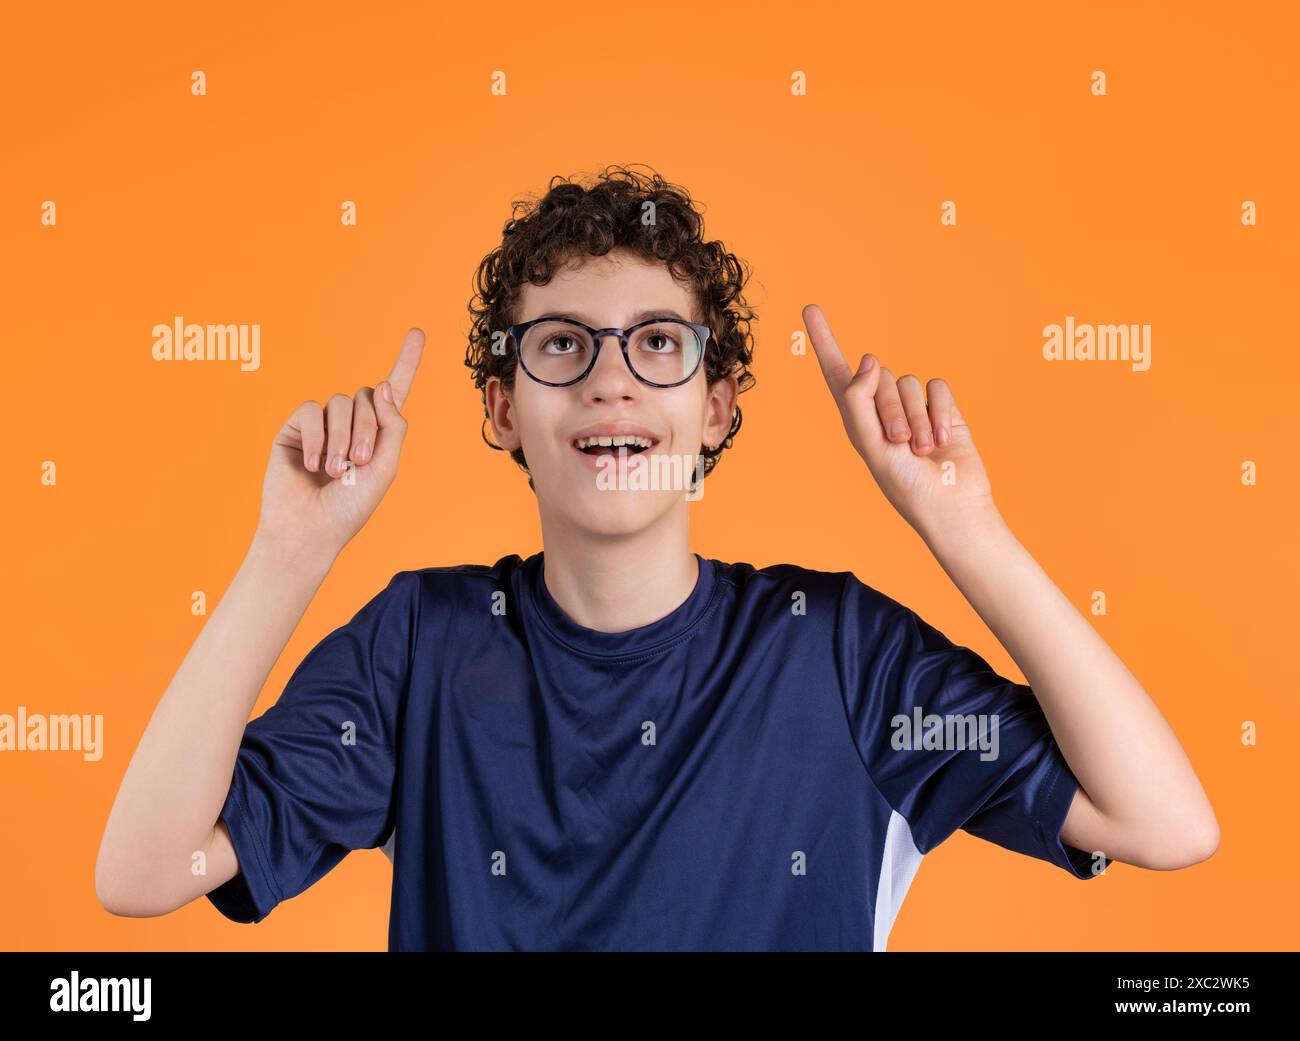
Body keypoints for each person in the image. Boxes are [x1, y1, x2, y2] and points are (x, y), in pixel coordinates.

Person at [96, 165, 1218, 950]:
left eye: (658, 344)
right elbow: (142, 875)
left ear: (718, 407)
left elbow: (1159, 824)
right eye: (562, 345)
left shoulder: (837, 654)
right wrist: (286, 557)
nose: (611, 378)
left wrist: (963, 528)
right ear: (502, 407)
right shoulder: (419, 647)